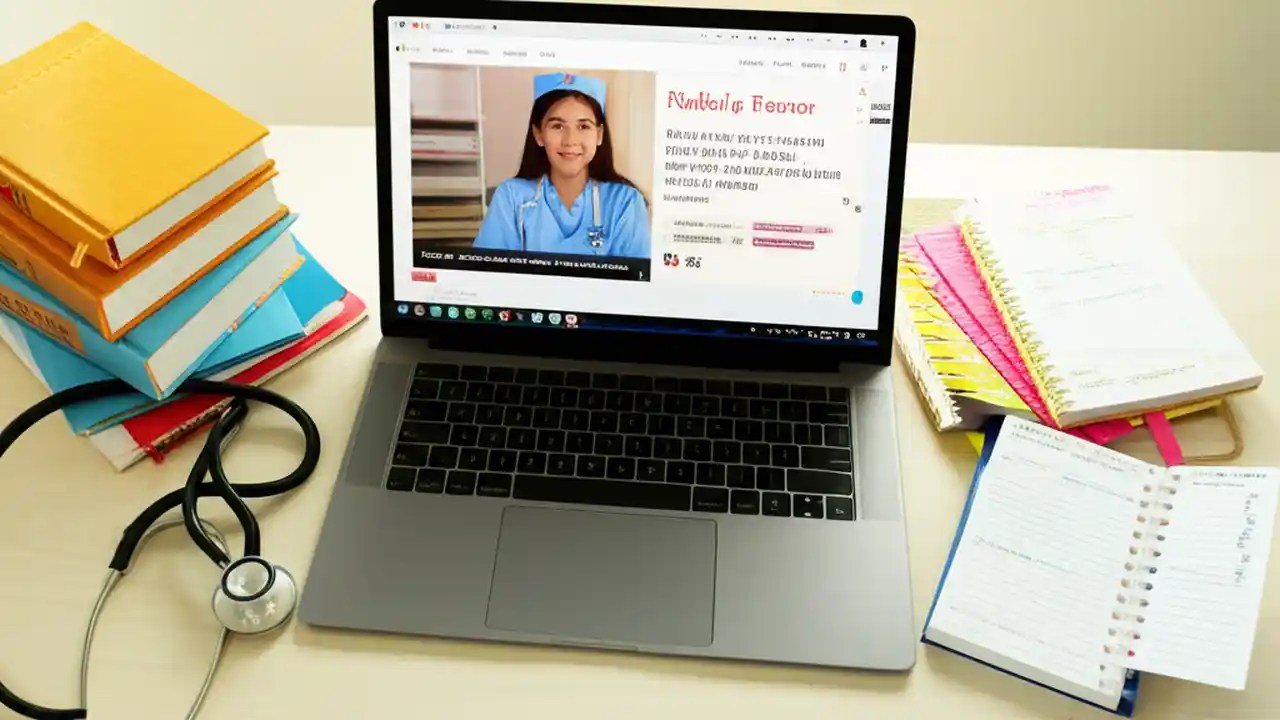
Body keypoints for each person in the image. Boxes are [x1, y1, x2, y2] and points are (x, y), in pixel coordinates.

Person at [473, 72, 651, 259]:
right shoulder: (511, 198)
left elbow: (632, 282)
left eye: (583, 126)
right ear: (538, 134)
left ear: (599, 135)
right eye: (557, 126)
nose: (570, 140)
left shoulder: (625, 202)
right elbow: (488, 274)